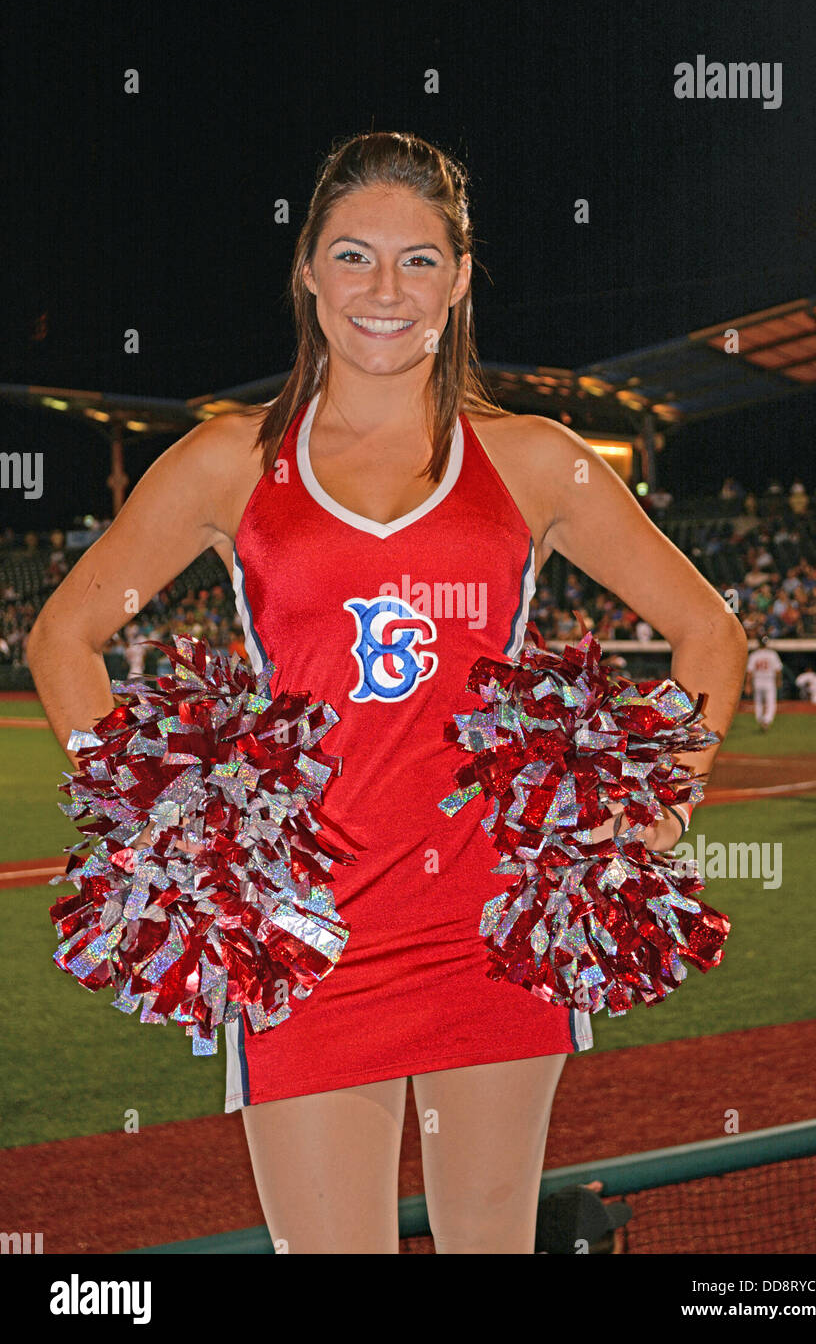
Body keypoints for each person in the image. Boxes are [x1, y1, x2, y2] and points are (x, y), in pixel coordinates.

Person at [26, 130, 748, 1255]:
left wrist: (654, 814)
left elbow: (709, 629)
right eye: (352, 255)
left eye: (419, 261)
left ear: (459, 280)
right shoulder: (232, 460)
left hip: (493, 935)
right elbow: (64, 637)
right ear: (307, 268)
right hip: (306, 943)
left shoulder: (533, 459)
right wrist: (171, 847)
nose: (384, 290)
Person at [745, 635, 784, 730]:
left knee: (758, 702)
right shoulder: (772, 654)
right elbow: (778, 670)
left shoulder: (754, 654)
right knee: (770, 702)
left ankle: (760, 719)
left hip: (758, 680)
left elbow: (749, 672)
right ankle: (766, 721)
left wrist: (748, 684)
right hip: (769, 680)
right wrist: (779, 681)